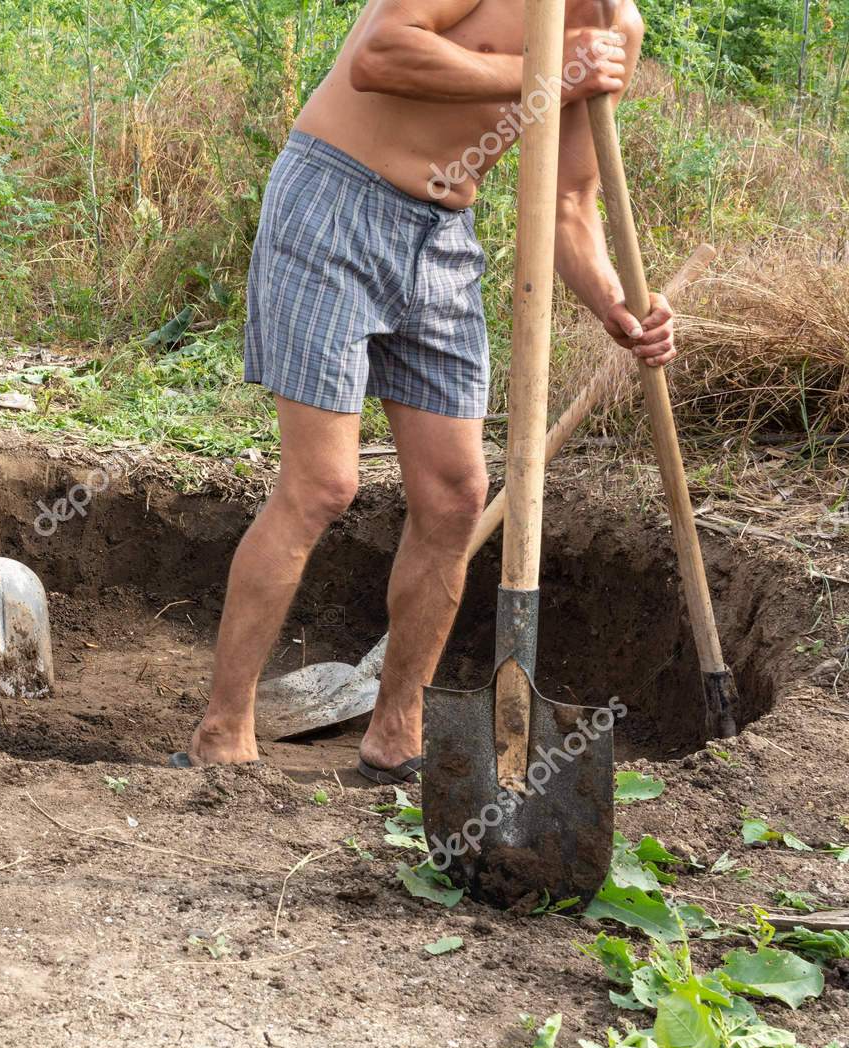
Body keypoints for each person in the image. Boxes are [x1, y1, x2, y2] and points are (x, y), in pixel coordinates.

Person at [176, 0, 676, 778]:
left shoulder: (618, 28)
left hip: (443, 235)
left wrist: (616, 301)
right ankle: (222, 727)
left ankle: (396, 731)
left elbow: (571, 205)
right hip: (336, 201)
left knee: (455, 495)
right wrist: (547, 70)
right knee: (322, 485)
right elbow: (380, 55)